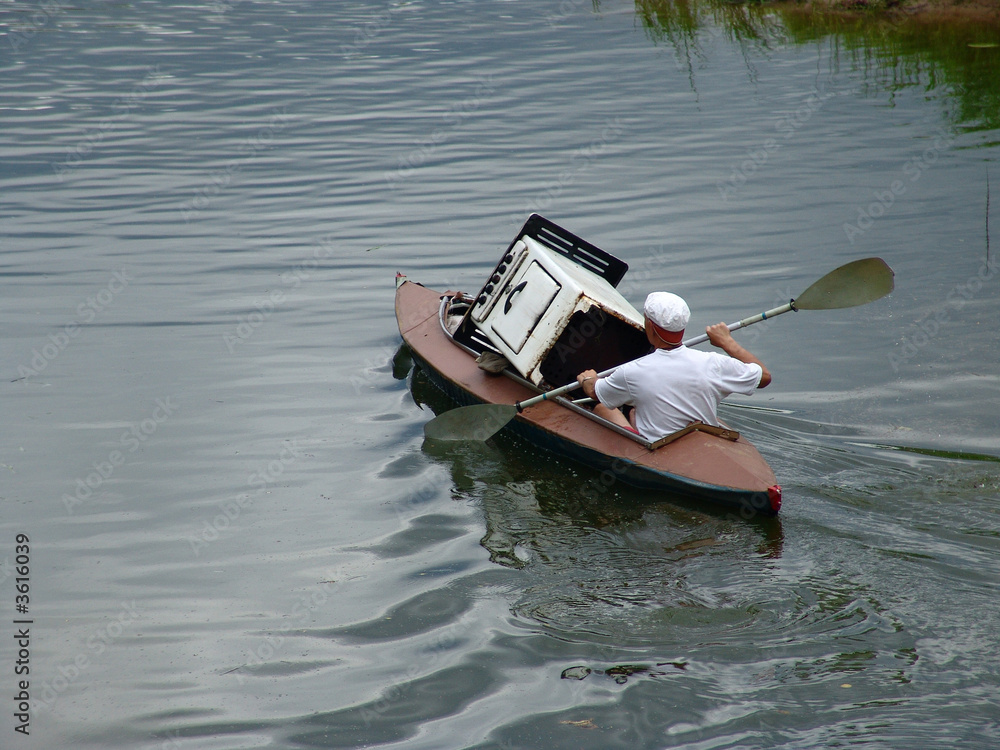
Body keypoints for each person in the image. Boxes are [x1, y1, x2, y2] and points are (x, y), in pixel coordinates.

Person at [576, 291, 771, 440]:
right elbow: (764, 377)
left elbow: (595, 392)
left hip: (658, 448)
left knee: (604, 407)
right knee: (634, 410)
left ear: (650, 325)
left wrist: (589, 379)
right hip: (701, 440)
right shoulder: (714, 363)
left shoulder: (631, 372)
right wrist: (726, 342)